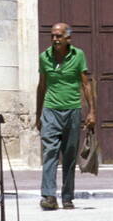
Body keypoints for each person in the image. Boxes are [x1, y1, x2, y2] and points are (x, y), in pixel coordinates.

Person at [36, 23, 96, 210]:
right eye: (53, 36)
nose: (55, 39)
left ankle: (68, 196)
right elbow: (42, 85)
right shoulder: (44, 57)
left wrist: (92, 112)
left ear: (68, 38)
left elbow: (86, 85)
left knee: (69, 156)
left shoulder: (78, 56)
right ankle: (49, 196)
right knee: (50, 152)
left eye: (59, 36)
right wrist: (38, 113)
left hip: (72, 110)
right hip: (50, 110)